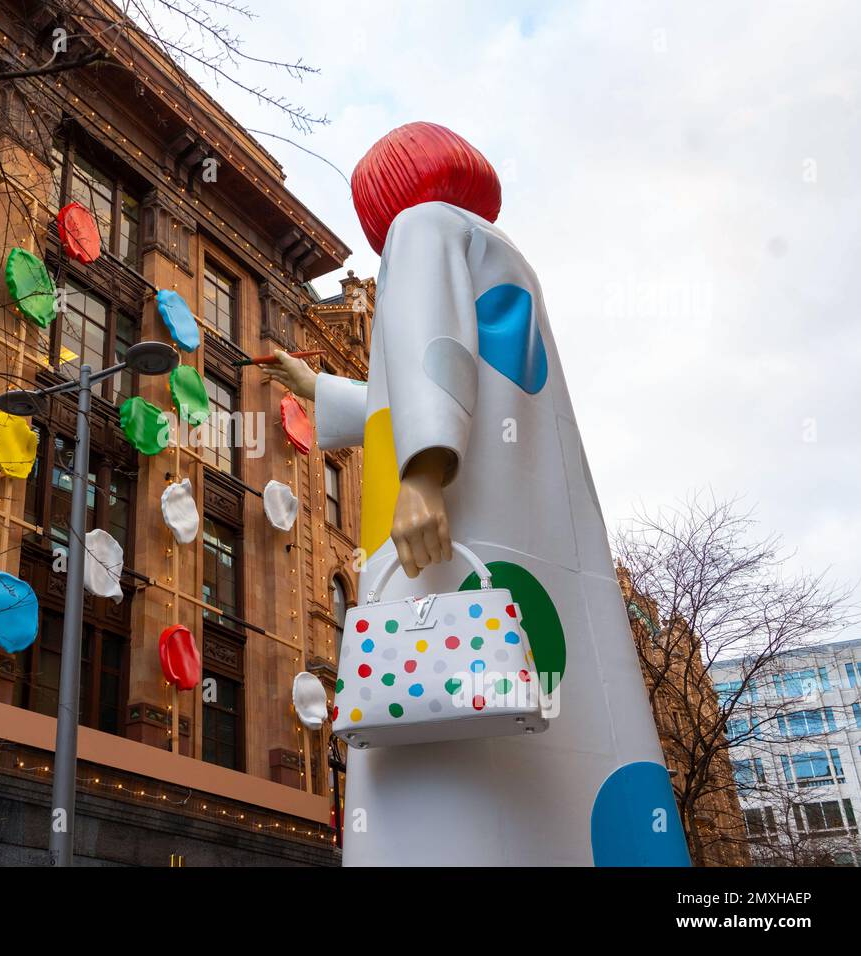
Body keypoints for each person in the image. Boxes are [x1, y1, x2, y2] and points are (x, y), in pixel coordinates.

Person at [263, 122, 688, 866]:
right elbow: (471, 375)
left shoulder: (420, 227)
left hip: (456, 545)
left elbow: (436, 351)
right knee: (563, 749)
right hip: (531, 545)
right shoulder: (504, 256)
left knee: (443, 776)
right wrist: (330, 395)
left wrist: (423, 472)